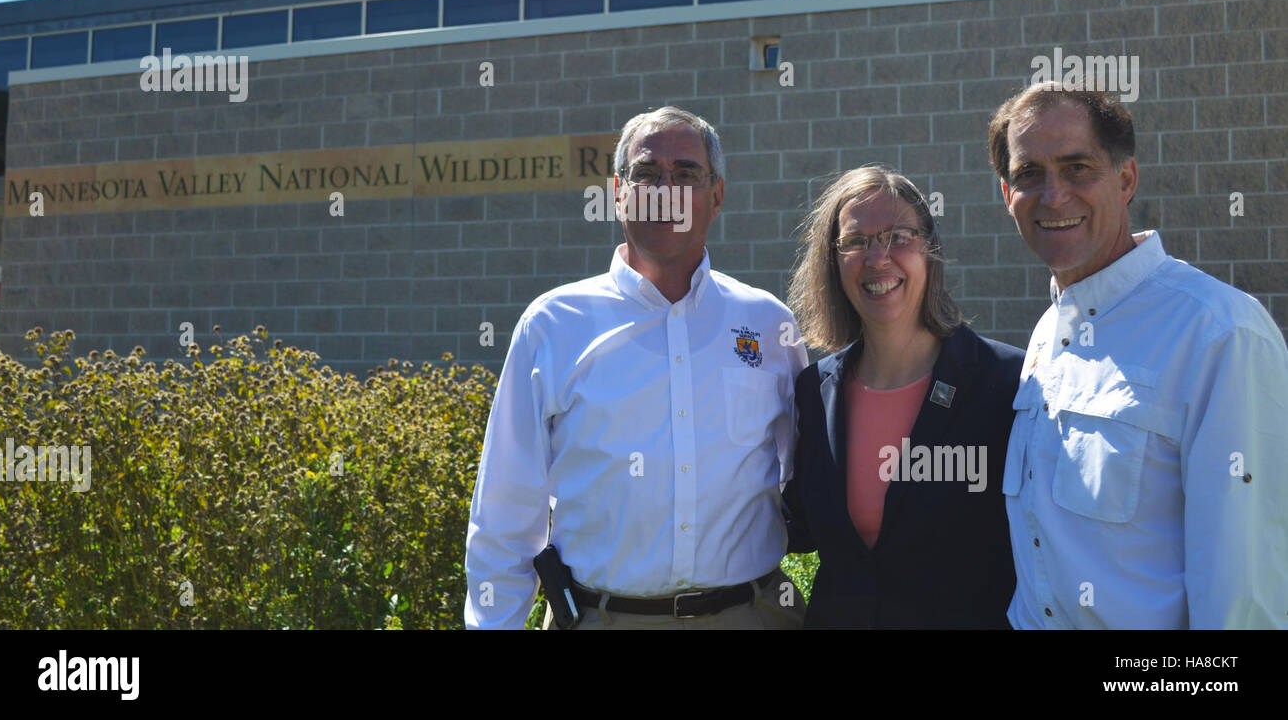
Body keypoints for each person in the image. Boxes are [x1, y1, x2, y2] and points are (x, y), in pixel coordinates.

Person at [464, 106, 808, 629]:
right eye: (647, 173)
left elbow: (806, 480)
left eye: (686, 173)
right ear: (620, 193)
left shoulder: (768, 326)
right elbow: (504, 516)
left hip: (752, 616)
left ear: (716, 196)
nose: (665, 188)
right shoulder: (553, 325)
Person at [989, 82, 1288, 629]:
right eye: (1030, 174)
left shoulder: (1220, 333)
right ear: (1007, 194)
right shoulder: (1047, 331)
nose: (1054, 195)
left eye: (1077, 167)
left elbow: (1244, 604)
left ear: (1125, 179)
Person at [782, 164, 1021, 628]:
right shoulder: (814, 392)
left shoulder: (1004, 383)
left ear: (930, 251)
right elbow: (797, 527)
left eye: (897, 236)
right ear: (832, 262)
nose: (877, 258)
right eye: (855, 241)